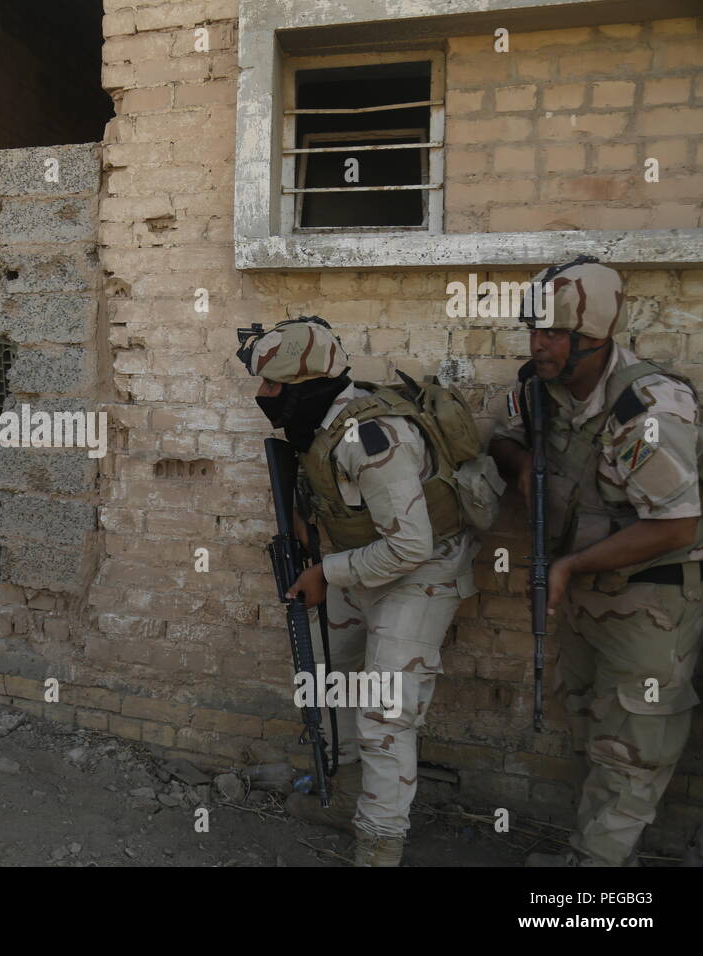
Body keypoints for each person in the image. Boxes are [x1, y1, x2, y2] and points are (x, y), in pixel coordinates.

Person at [241, 317, 481, 866]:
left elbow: (412, 547)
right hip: (365, 561)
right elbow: (342, 508)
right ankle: (347, 792)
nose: (263, 397)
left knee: (384, 709)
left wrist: (326, 574)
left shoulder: (371, 439)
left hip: (421, 571)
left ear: (305, 387)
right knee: (327, 672)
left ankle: (379, 843)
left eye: (273, 386)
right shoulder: (320, 425)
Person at [488, 258, 702, 867]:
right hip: (582, 590)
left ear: (596, 338)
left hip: (650, 600)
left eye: (555, 335)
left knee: (632, 747)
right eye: (535, 331)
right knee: (586, 724)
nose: (540, 345)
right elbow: (501, 435)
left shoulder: (649, 410)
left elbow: (678, 524)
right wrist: (522, 463)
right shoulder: (539, 387)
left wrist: (570, 566)